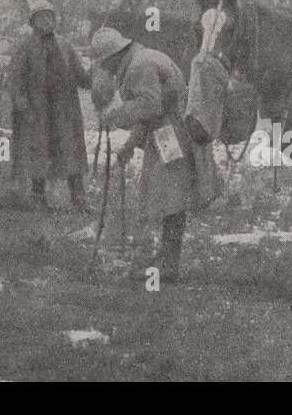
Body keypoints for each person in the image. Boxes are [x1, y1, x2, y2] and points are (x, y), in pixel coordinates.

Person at [88, 27, 220, 281]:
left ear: (114, 56)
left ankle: (170, 263)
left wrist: (114, 116)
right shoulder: (142, 59)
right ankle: (167, 256)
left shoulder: (140, 65)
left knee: (171, 195)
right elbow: (149, 112)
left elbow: (150, 106)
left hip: (171, 135)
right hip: (167, 130)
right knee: (170, 195)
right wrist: (129, 146)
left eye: (106, 64)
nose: (108, 70)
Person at [7, 0, 93, 212]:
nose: (46, 20)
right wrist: (23, 107)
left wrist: (94, 76)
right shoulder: (24, 47)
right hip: (37, 110)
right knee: (39, 153)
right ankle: (38, 198)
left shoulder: (65, 45)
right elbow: (15, 81)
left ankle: (79, 200)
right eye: (40, 17)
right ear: (32, 22)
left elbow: (80, 75)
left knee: (71, 152)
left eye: (49, 16)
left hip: (64, 109)